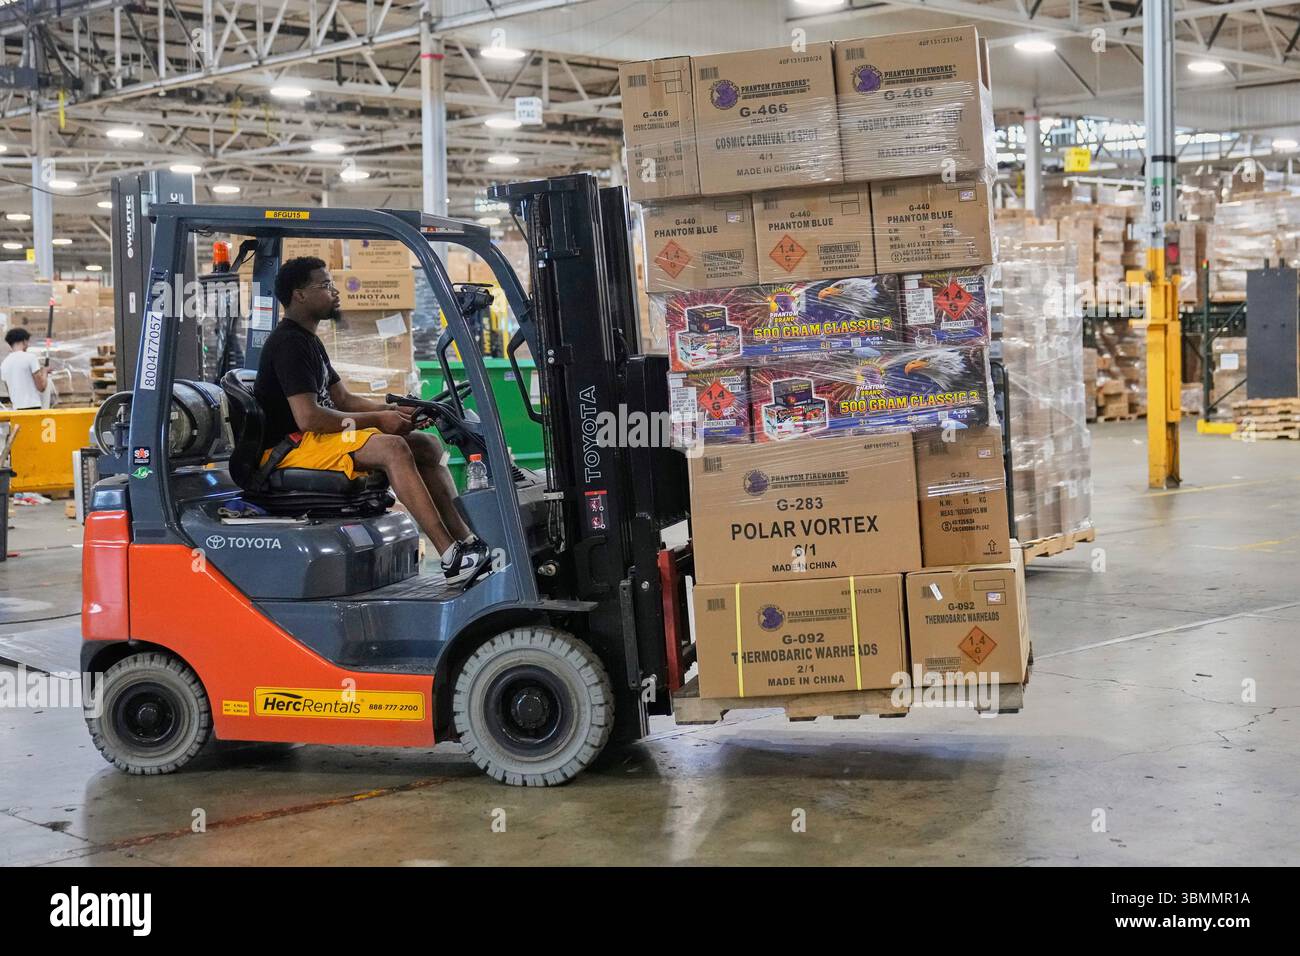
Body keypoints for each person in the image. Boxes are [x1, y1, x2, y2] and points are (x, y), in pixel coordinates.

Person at [254, 256, 488, 583]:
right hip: (293, 448)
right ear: (299, 295)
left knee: (426, 445)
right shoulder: (288, 344)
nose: (334, 292)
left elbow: (344, 400)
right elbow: (308, 418)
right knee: (392, 448)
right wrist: (378, 420)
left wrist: (393, 412)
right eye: (325, 285)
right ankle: (450, 555)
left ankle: (468, 540)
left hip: (317, 441)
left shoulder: (309, 341)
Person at [2, 328, 49, 410]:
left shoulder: (4, 364)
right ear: (24, 341)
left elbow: (10, 391)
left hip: (16, 411)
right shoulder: (30, 358)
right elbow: (41, 387)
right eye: (27, 342)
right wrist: (45, 372)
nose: (28, 344)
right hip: (32, 409)